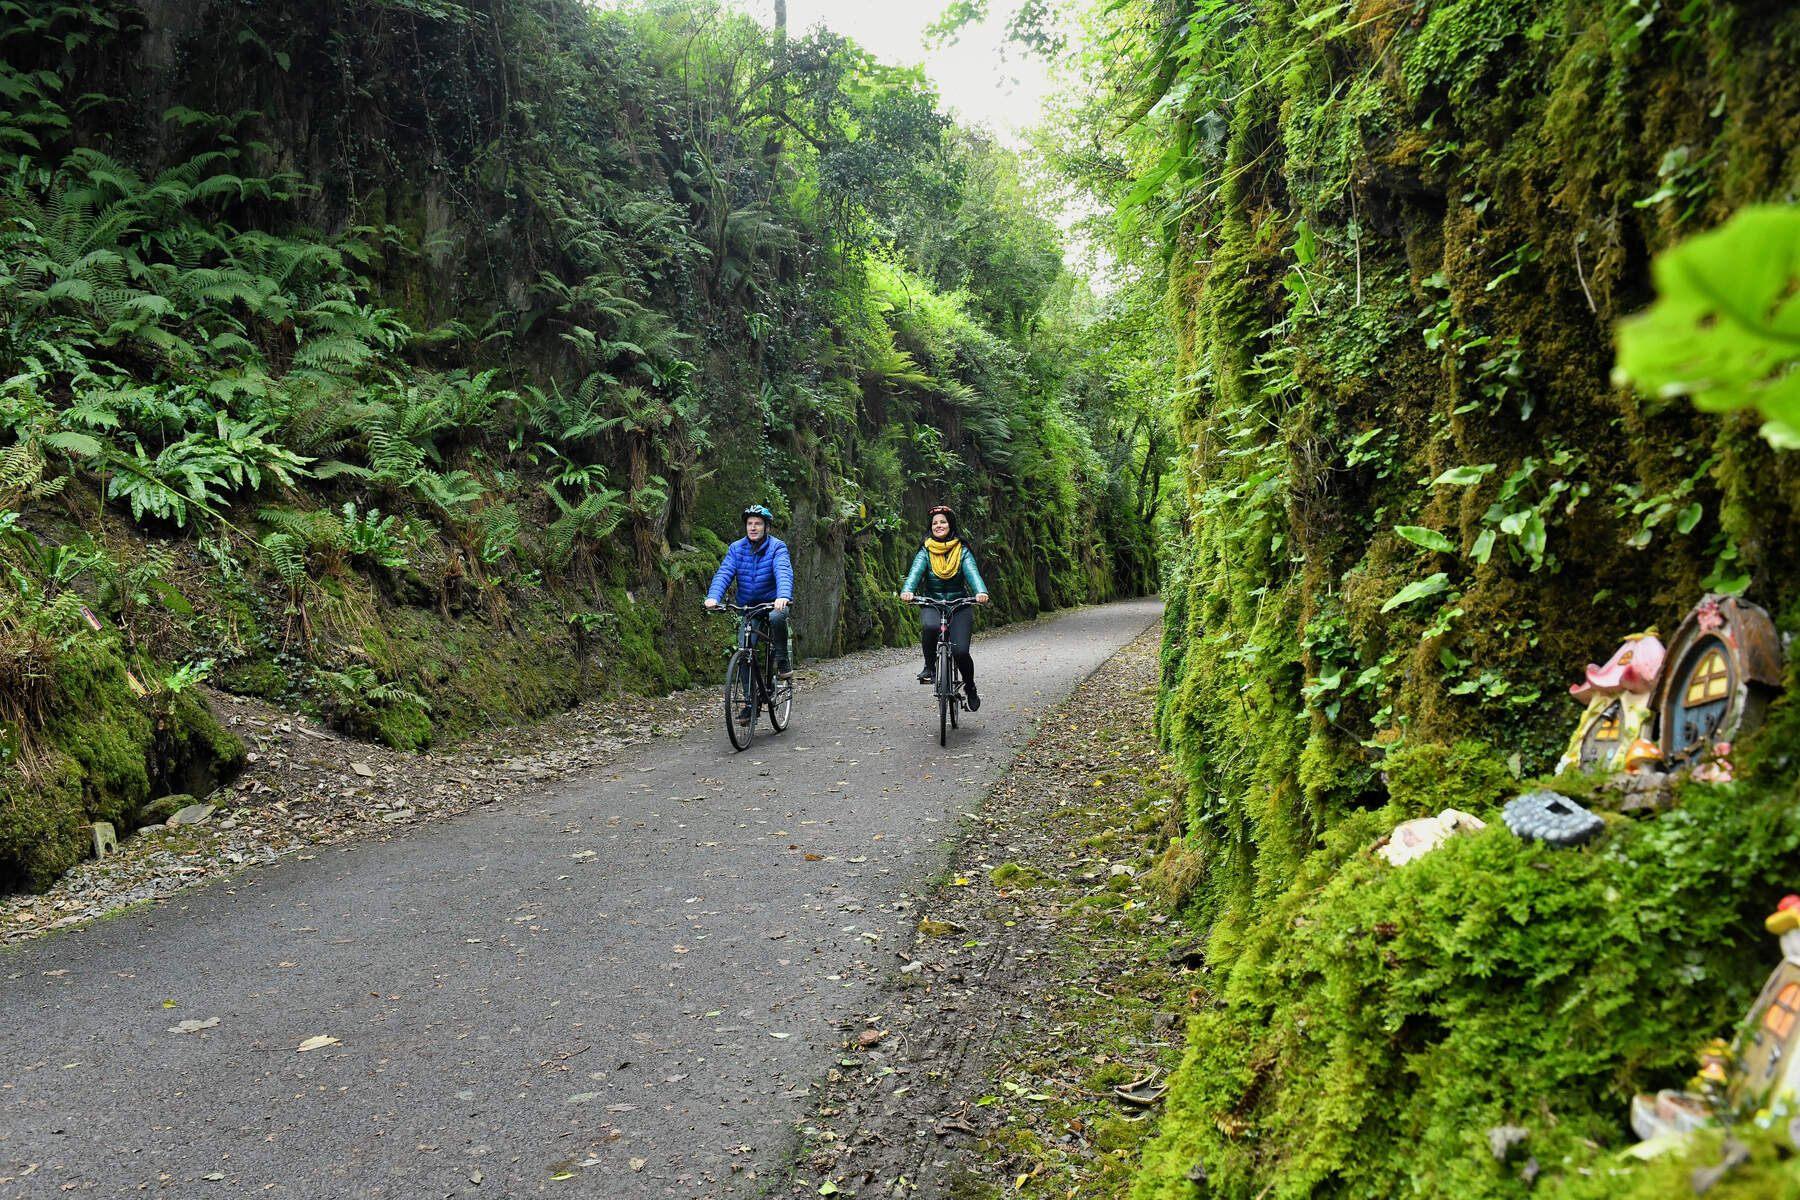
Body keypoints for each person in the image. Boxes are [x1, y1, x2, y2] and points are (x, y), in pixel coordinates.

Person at [705, 505, 794, 719]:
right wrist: (713, 596)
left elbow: (783, 571)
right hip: (749, 607)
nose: (753, 527)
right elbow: (725, 572)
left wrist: (782, 596)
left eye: (758, 524)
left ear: (766, 527)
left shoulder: (777, 548)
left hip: (773, 603)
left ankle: (782, 659)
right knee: (745, 651)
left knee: (777, 616)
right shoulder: (736, 548)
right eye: (750, 523)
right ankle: (749, 702)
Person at [899, 504, 990, 711]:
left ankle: (970, 687)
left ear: (950, 525)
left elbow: (972, 572)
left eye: (942, 522)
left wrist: (980, 592)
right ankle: (929, 668)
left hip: (959, 605)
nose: (938, 525)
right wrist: (908, 590)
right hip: (933, 602)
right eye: (934, 523)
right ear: (930, 527)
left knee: (961, 652)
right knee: (930, 627)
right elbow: (915, 572)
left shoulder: (962, 549)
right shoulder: (926, 550)